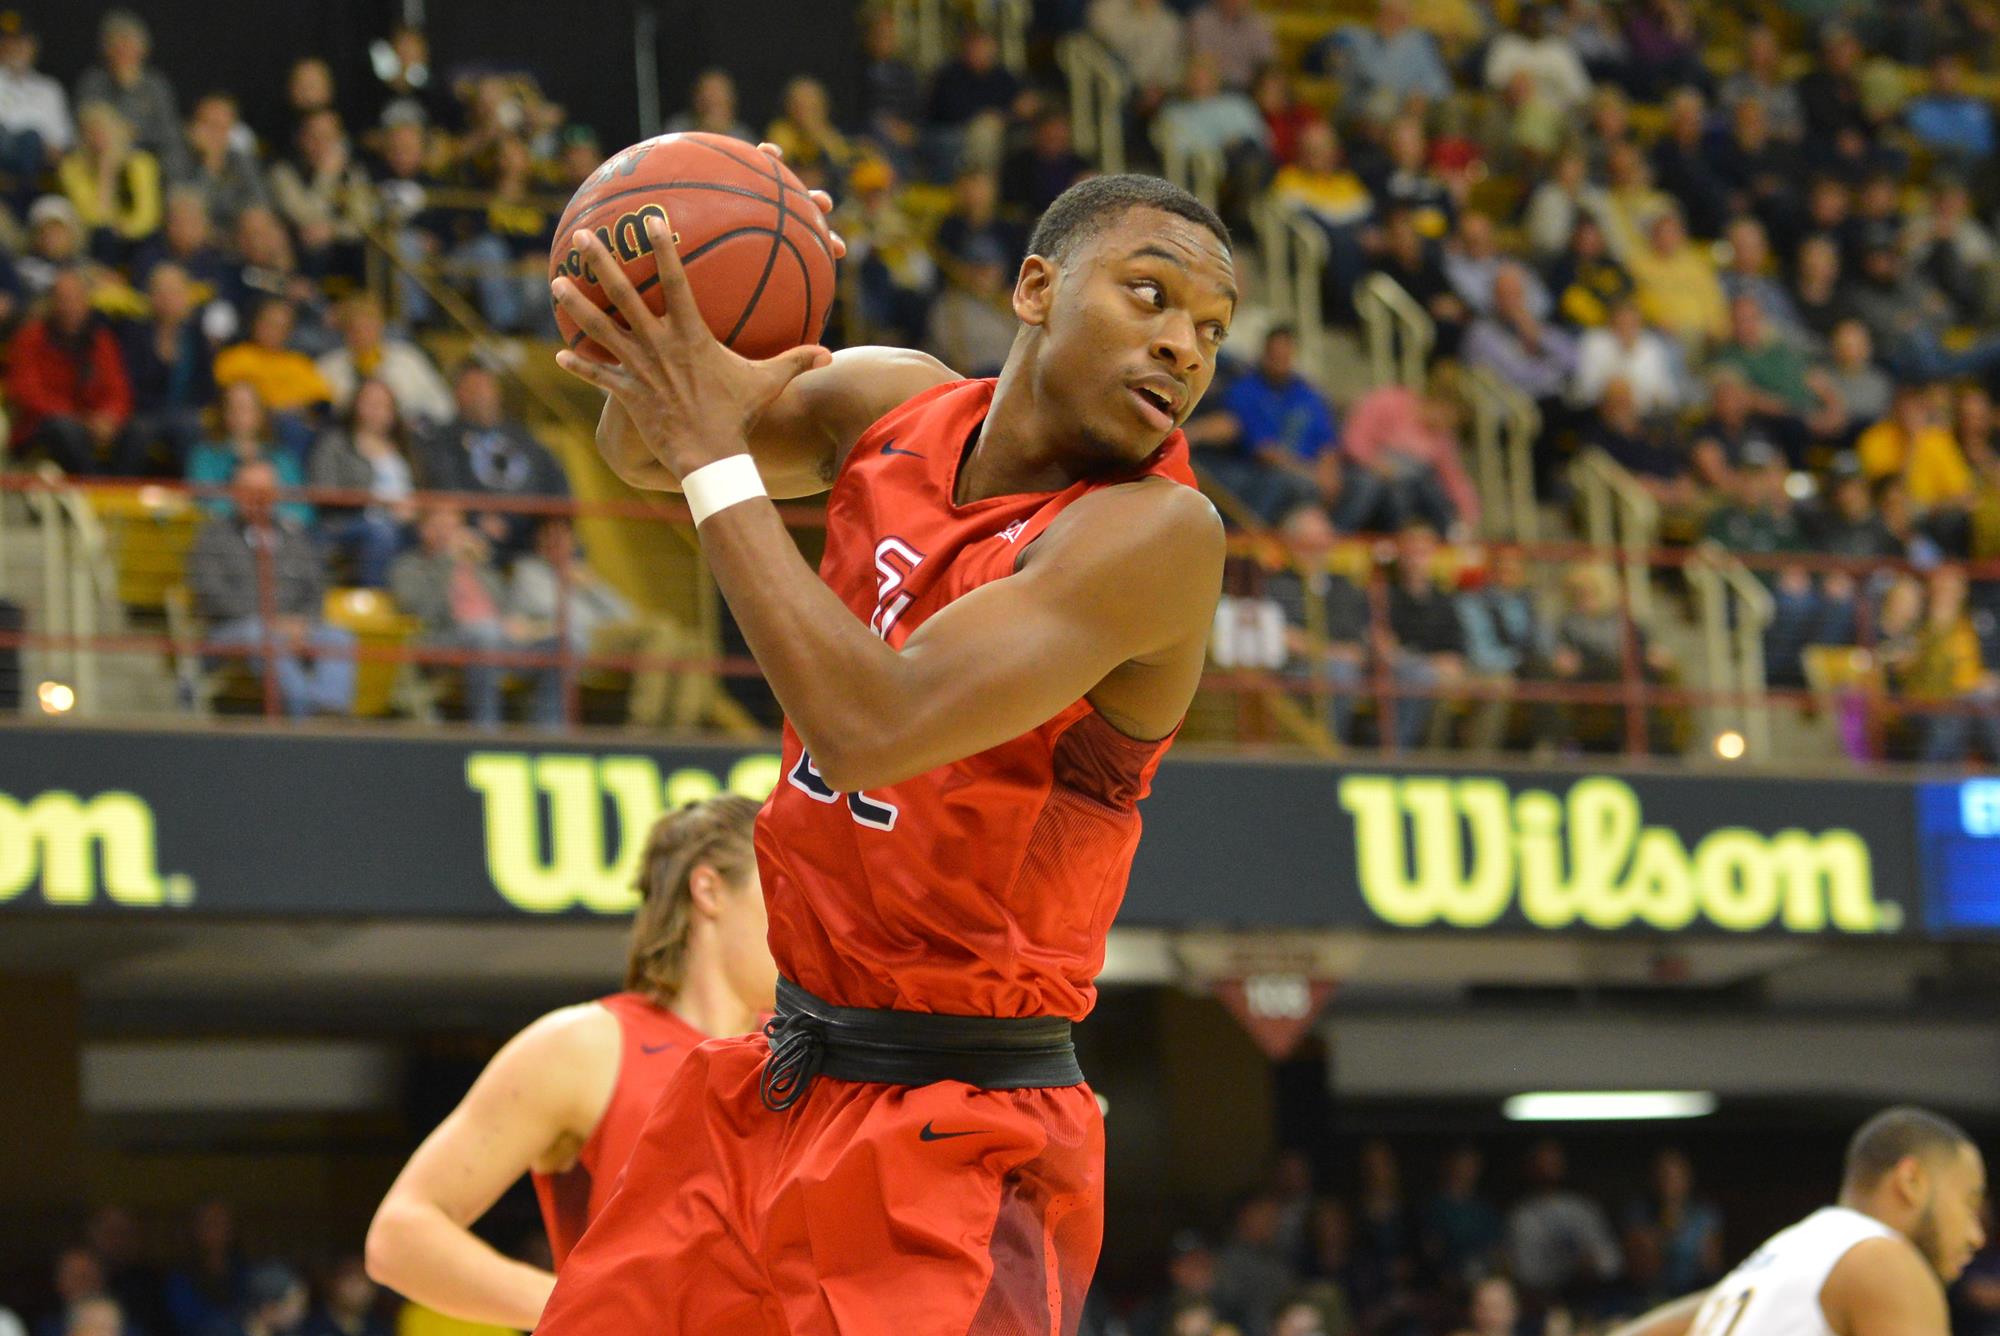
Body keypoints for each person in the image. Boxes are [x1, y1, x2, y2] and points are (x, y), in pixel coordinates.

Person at [541, 171, 1231, 1334]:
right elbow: (652, 449)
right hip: (779, 1074)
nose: (1180, 347)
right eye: (1149, 295)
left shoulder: (1154, 533)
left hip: (963, 1126)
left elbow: (869, 729)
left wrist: (709, 453)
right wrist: (656, 284)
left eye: (1209, 331)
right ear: (1035, 287)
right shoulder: (889, 403)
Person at [367, 796, 777, 1328]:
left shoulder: (808, 1053)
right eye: (782, 888)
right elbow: (401, 1234)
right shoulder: (588, 1046)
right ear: (708, 890)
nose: (804, 918)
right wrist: (587, 1311)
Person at [1608, 1108, 1986, 1336]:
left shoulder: (1777, 1259)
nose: (1976, 1235)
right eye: (1970, 1204)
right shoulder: (1884, 1259)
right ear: (1911, 1181)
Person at [187, 456, 356, 718]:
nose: (258, 497)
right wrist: (272, 622)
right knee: (259, 634)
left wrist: (305, 623)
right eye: (250, 490)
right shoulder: (212, 537)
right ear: (234, 493)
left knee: (338, 637)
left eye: (265, 490)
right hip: (231, 631)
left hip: (291, 627)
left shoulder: (295, 536)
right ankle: (304, 718)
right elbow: (212, 594)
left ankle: (330, 712)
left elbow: (315, 589)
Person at [389, 503, 554, 727]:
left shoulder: (479, 566)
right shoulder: (408, 567)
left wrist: (519, 624)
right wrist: (448, 561)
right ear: (423, 530)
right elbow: (424, 611)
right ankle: (486, 727)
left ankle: (550, 729)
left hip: (498, 639)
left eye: (453, 527)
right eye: (440, 526)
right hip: (445, 639)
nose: (449, 534)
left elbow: (504, 608)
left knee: (560, 642)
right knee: (484, 633)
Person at [419, 364, 570, 558]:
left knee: (565, 547)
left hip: (531, 531)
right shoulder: (445, 438)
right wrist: (475, 517)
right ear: (457, 393)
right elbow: (445, 483)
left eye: (486, 387)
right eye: (473, 388)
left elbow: (555, 476)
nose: (481, 395)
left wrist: (557, 521)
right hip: (476, 531)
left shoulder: (521, 436)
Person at [6, 267, 131, 474]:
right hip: (40, 426)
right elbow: (24, 392)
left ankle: (124, 495)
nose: (69, 306)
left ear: (87, 303)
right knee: (63, 428)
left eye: (75, 299)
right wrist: (79, 420)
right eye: (63, 299)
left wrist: (109, 417)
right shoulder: (30, 338)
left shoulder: (101, 340)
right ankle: (94, 488)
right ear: (52, 303)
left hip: (91, 424)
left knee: (137, 431)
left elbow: (118, 390)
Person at [1216, 325, 1338, 522]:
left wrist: (1329, 473)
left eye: (1286, 355)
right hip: (1266, 473)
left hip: (1311, 475)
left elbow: (1327, 444)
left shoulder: (1308, 393)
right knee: (1292, 483)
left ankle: (1338, 540)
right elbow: (1264, 451)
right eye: (1275, 355)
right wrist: (1310, 474)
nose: (1280, 361)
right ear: (1265, 353)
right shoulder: (1245, 390)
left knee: (1363, 484)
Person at [308, 378, 417, 586]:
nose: (377, 410)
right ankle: (373, 598)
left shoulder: (406, 447)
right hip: (346, 524)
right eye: (370, 403)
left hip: (404, 524)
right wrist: (380, 503)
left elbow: (420, 491)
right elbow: (324, 492)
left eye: (384, 405)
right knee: (381, 531)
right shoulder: (334, 443)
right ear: (355, 405)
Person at [116, 261, 216, 476]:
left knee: (191, 427)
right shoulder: (134, 333)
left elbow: (206, 385)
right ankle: (123, 492)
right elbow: (128, 382)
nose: (169, 299)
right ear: (151, 297)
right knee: (139, 431)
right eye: (162, 292)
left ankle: (194, 497)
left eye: (175, 293)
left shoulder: (195, 336)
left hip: (185, 413)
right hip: (144, 412)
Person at [313, 294, 452, 428]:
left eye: (369, 326)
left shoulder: (408, 358)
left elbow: (442, 405)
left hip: (410, 436)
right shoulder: (327, 366)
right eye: (354, 328)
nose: (362, 334)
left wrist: (421, 423)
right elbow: (322, 414)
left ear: (380, 326)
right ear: (344, 332)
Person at [72, 10, 179, 175]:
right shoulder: (93, 81)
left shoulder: (155, 86)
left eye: (129, 44)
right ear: (106, 50)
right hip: (96, 156)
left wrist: (134, 134)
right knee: (71, 168)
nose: (123, 51)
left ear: (143, 49)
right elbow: (85, 120)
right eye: (116, 44)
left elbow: (167, 132)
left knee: (143, 166)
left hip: (142, 155)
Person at [300, 1259, 386, 1336]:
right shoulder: (307, 1326)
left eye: (365, 1280)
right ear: (332, 1282)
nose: (359, 1288)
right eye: (351, 1279)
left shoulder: (380, 1328)